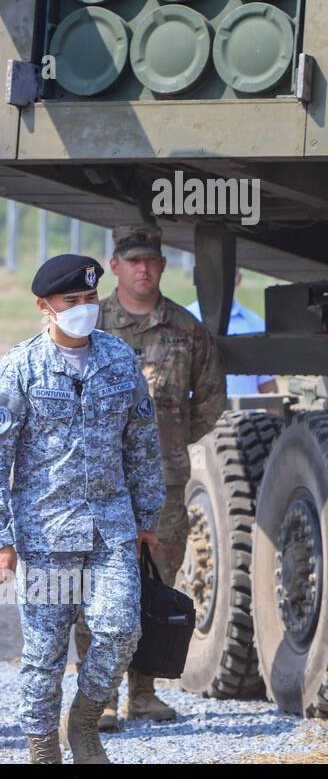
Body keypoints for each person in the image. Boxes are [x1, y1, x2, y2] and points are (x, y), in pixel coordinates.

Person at [0, 255, 166, 763]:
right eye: (72, 301)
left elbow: (142, 442)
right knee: (45, 655)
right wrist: (3, 540)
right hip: (48, 537)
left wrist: (147, 519)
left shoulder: (118, 359)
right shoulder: (20, 367)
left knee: (120, 629)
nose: (84, 309)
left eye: (91, 299)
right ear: (44, 307)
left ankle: (86, 723)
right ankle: (42, 747)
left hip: (110, 529)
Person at [73, 225, 226, 729]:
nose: (143, 269)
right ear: (114, 265)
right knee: (94, 587)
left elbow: (208, 401)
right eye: (132, 260)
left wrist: (171, 444)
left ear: (162, 266)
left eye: (152, 261)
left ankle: (143, 692)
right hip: (96, 486)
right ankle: (101, 697)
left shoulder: (186, 328)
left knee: (155, 585)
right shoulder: (90, 328)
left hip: (162, 486)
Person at [185, 270, 278, 396]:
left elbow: (267, 383)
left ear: (238, 279)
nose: (219, 282)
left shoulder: (255, 324)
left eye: (227, 276)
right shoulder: (184, 320)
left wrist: (277, 415)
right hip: (197, 415)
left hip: (244, 415)